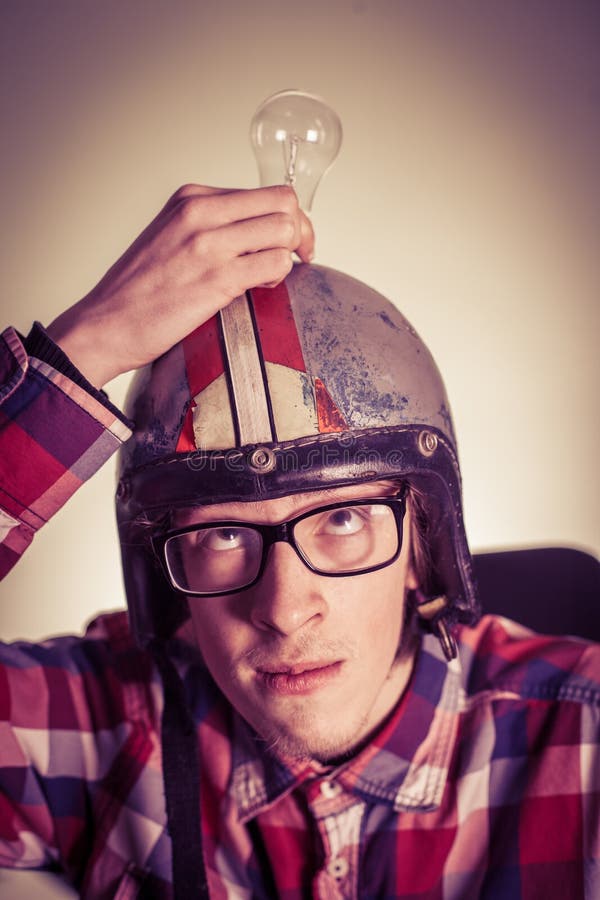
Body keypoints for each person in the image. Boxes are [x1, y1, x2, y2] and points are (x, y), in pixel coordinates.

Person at [0, 184, 598, 900]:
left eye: (342, 519)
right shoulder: (104, 729)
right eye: (223, 532)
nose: (284, 610)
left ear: (423, 548)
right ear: (169, 567)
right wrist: (85, 350)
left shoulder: (584, 743)